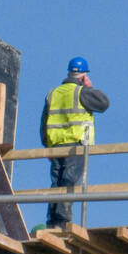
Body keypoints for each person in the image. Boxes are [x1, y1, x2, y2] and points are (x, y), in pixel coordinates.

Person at [40, 56, 110, 229]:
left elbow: (44, 123)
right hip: (75, 145)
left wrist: (47, 146)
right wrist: (89, 87)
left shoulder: (53, 94)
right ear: (84, 76)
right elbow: (104, 103)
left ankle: (52, 221)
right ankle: (63, 221)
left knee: (56, 182)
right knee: (69, 181)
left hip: (56, 145)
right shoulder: (82, 92)